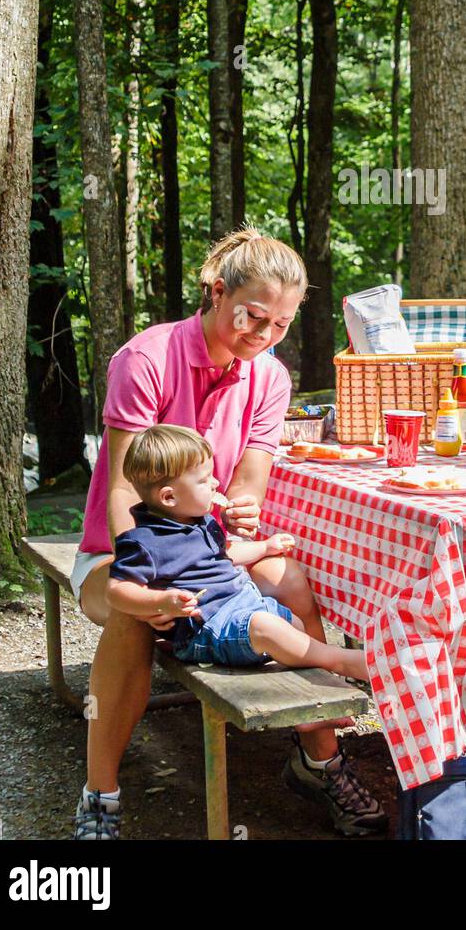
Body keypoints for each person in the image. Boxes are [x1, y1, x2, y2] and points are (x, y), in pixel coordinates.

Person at [72, 227, 386, 840]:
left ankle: (319, 759)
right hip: (123, 549)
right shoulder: (148, 358)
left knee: (293, 579)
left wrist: (243, 512)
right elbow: (121, 490)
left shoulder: (268, 377)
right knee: (132, 616)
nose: (264, 336)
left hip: (212, 556)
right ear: (217, 292)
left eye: (281, 325)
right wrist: (145, 579)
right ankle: (100, 793)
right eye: (254, 316)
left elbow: (249, 482)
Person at [107, 425, 370, 682]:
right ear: (168, 498)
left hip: (245, 605)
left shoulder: (199, 520)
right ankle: (342, 661)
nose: (216, 483)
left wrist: (265, 547)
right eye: (204, 480)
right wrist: (159, 602)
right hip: (208, 628)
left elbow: (225, 555)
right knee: (268, 629)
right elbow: (117, 590)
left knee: (295, 628)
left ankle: (320, 682)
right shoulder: (144, 542)